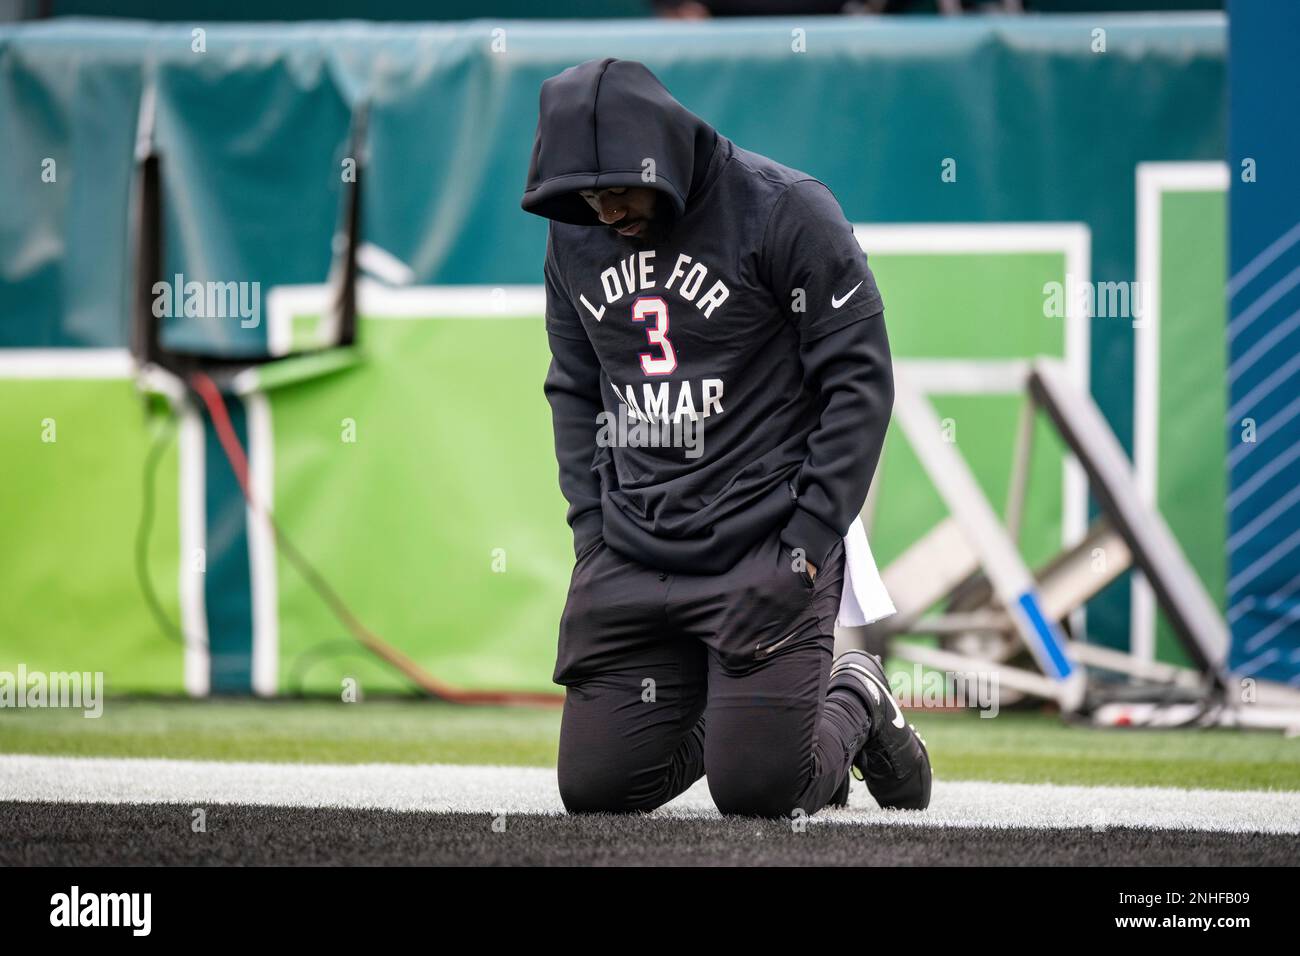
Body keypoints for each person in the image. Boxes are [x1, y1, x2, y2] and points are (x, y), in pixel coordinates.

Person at [521, 58, 930, 817]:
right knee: (599, 790)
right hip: (636, 543)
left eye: (618, 190)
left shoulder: (786, 209)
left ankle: (856, 696)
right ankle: (753, 718)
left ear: (660, 151)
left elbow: (860, 381)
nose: (606, 211)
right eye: (589, 196)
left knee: (759, 792)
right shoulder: (575, 233)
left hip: (763, 536)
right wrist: (590, 530)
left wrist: (807, 540)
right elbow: (574, 386)